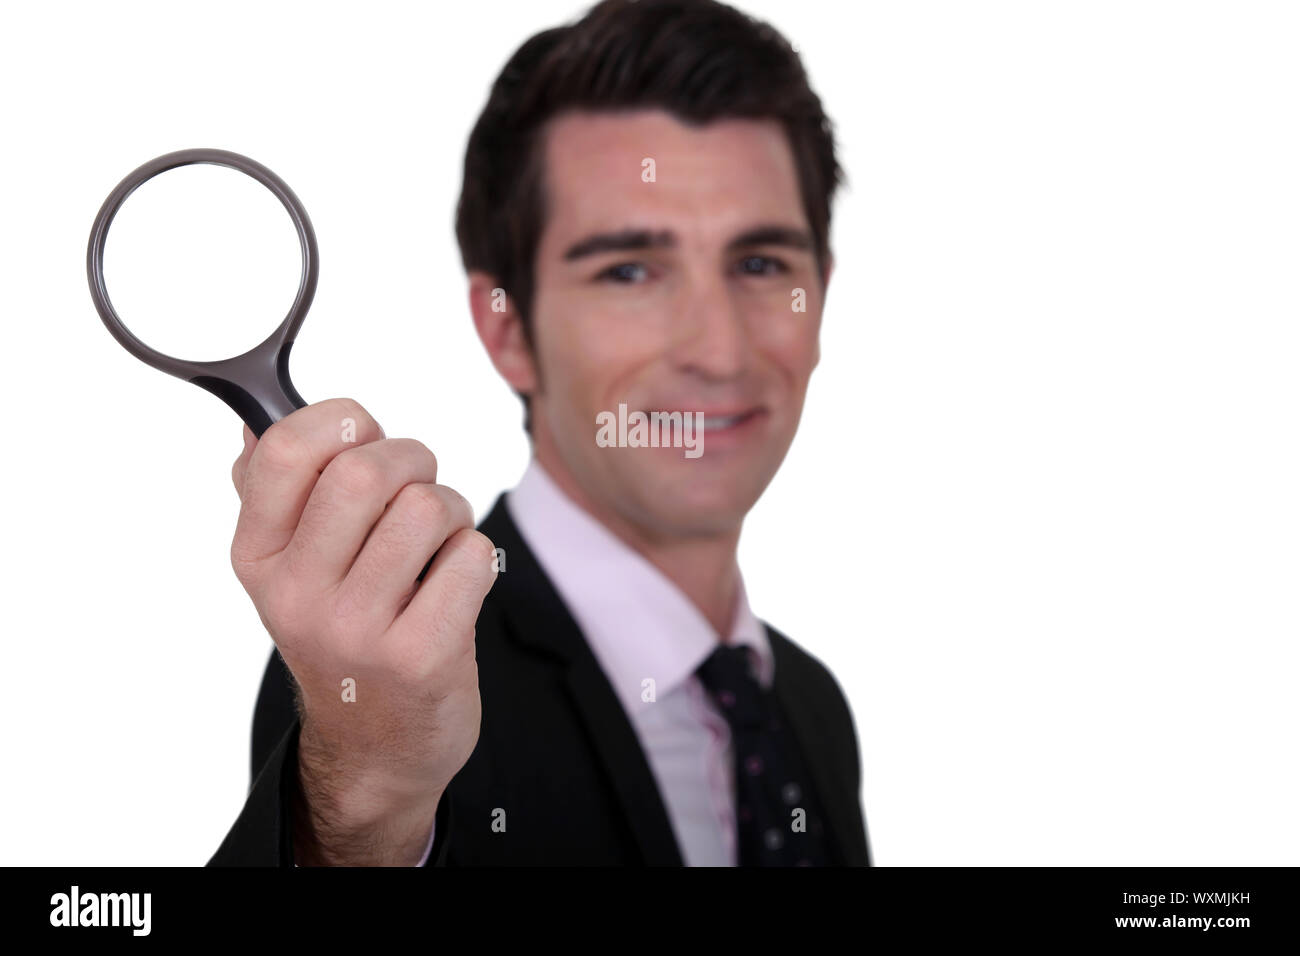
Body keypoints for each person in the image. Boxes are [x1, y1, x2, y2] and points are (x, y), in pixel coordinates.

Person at [210, 0, 872, 867]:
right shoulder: (393, 679)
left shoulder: (811, 708)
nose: (719, 349)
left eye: (760, 265)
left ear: (817, 294)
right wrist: (363, 807)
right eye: (629, 270)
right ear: (507, 328)